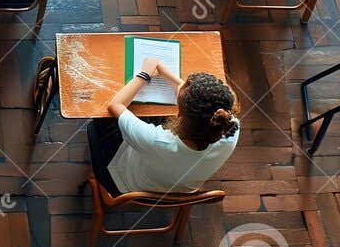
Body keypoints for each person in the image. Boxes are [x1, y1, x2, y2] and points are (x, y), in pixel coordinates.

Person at [89, 59, 239, 194]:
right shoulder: (230, 127)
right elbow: (197, 103)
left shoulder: (156, 140)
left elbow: (115, 105)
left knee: (96, 124)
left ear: (180, 114)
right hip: (180, 190)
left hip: (127, 184)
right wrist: (164, 71)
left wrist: (144, 74)